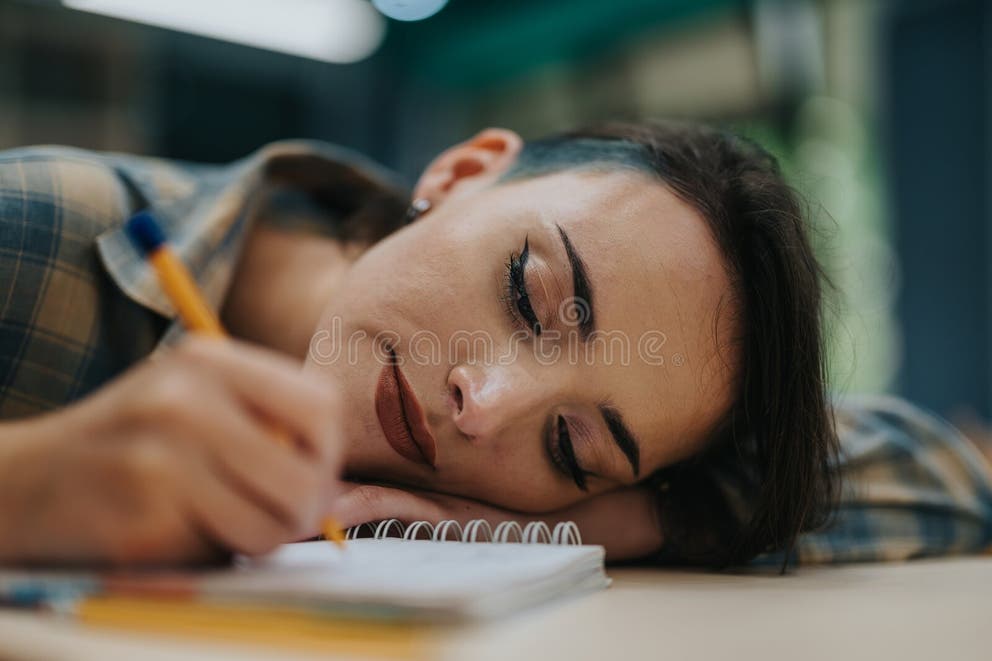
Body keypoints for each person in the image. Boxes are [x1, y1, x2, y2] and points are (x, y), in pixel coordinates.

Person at [0, 121, 989, 568]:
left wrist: (613, 524)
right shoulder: (42, 230)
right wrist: (30, 486)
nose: (489, 403)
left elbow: (948, 475)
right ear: (465, 170)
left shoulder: (545, 505)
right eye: (528, 292)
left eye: (571, 447)